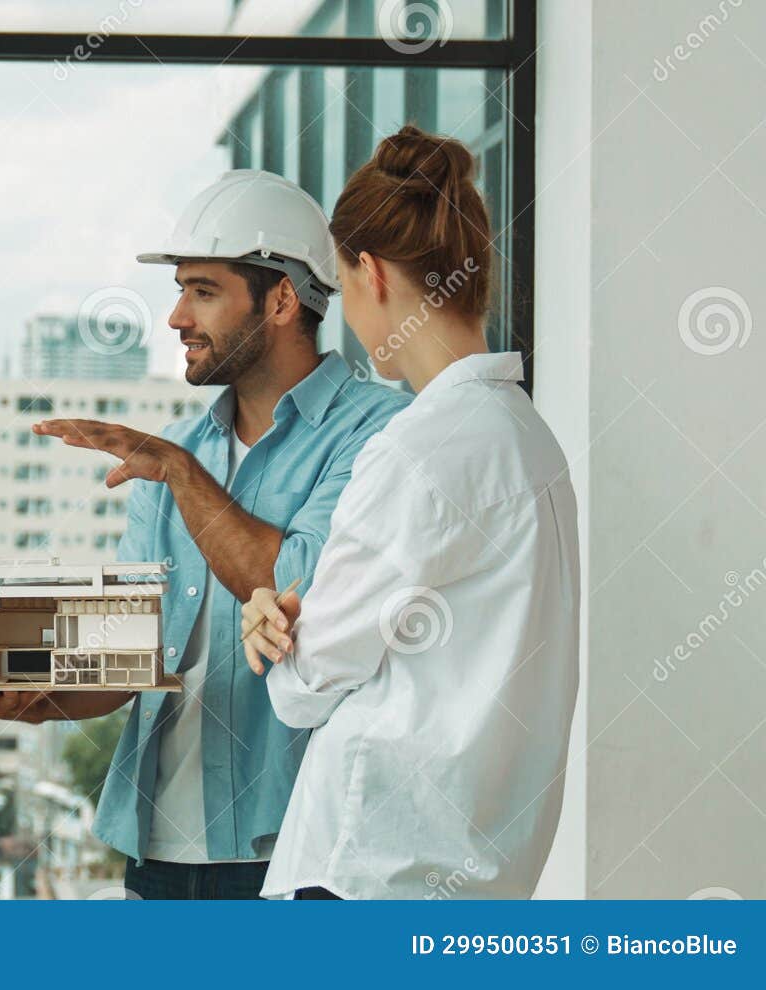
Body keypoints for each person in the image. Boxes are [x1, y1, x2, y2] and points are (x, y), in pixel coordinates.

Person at [0, 170, 409, 899]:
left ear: (282, 299)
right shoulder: (175, 449)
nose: (175, 318)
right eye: (180, 289)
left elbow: (294, 595)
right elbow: (132, 653)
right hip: (156, 850)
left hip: (296, 854)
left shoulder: (374, 434)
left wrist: (181, 473)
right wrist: (37, 698)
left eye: (203, 291)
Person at [242, 126, 580, 900]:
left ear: (372, 273)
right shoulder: (530, 441)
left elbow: (306, 685)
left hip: (366, 875)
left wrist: (280, 626)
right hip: (476, 880)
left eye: (341, 281)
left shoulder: (417, 451)